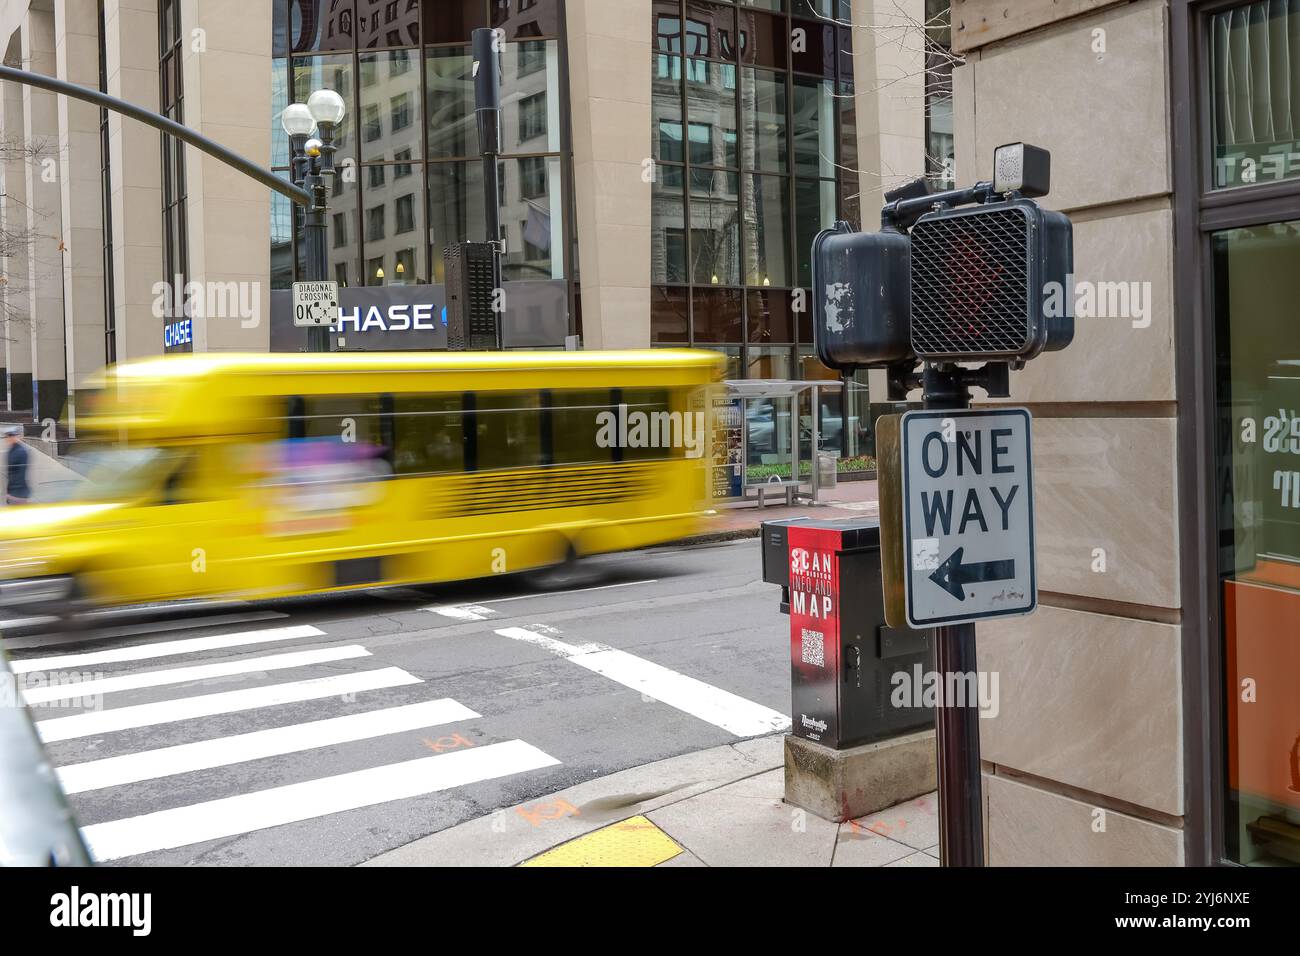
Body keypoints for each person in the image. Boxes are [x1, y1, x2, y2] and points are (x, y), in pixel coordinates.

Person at [5, 426, 31, 505]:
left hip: (18, 494)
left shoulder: (21, 452)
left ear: (18, 436)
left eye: (12, 436)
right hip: (13, 492)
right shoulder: (12, 450)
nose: (9, 438)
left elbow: (21, 475)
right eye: (8, 436)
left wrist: (14, 494)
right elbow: (11, 473)